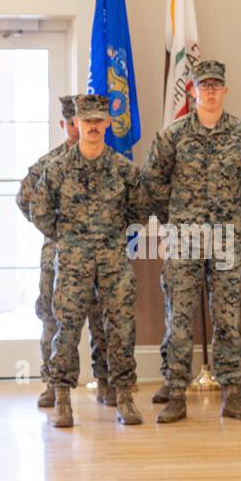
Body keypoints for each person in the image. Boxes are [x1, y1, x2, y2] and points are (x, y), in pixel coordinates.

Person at [142, 59, 241, 423]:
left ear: (225, 91)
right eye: (205, 86)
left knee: (228, 319)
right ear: (193, 91)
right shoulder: (172, 135)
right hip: (184, 237)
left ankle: (233, 393)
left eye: (217, 85)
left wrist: (237, 211)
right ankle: (176, 394)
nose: (211, 91)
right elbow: (152, 180)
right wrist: (175, 218)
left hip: (227, 239)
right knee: (179, 319)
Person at [30, 94, 148, 427]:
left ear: (108, 123)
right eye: (87, 121)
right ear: (76, 123)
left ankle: (124, 397)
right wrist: (66, 235)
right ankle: (64, 400)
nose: (93, 126)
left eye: (99, 121)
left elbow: (139, 210)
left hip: (114, 260)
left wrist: (114, 235)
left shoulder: (123, 169)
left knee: (121, 328)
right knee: (66, 329)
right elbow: (39, 209)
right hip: (72, 261)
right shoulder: (57, 169)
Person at [17, 94, 112, 409]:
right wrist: (56, 230)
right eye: (71, 122)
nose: (76, 127)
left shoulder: (107, 161)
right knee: (54, 319)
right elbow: (24, 199)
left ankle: (106, 381)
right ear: (64, 124)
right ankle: (52, 383)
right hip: (58, 254)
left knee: (101, 318)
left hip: (100, 253)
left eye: (81, 120)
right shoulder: (49, 165)